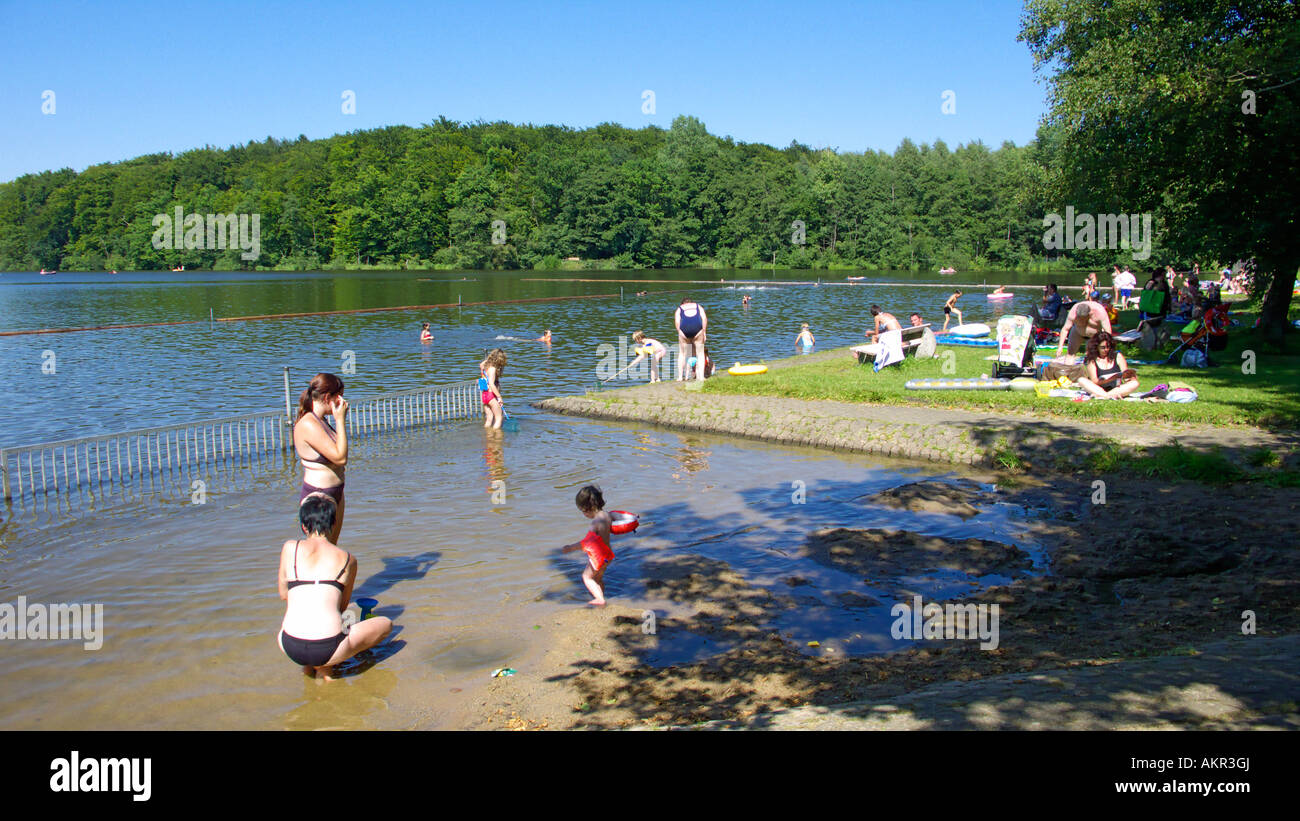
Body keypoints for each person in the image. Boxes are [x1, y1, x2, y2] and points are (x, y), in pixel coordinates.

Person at [277, 495, 392, 680]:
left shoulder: (290, 548)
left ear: (303, 525)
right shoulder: (348, 559)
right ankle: (325, 669)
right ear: (334, 523)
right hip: (328, 648)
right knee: (386, 624)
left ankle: (312, 668)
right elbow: (343, 606)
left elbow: (284, 594)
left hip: (289, 644)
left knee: (315, 622)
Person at [293, 373, 348, 544]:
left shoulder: (322, 420)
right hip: (319, 496)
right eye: (339, 397)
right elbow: (340, 458)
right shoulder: (309, 424)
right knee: (321, 552)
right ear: (327, 397)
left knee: (332, 549)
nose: (342, 402)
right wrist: (340, 420)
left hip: (335, 492)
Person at [560, 485, 614, 606]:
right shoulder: (606, 515)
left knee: (587, 577)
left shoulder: (595, 523)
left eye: (583, 510)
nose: (583, 514)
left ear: (589, 507)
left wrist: (570, 547)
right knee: (598, 578)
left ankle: (600, 599)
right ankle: (601, 595)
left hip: (599, 557)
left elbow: (587, 542)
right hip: (608, 555)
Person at [1077, 332, 1139, 399]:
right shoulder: (1092, 360)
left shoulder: (1118, 356)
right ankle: (1107, 395)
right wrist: (1111, 379)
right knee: (1081, 380)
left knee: (1135, 383)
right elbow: (1095, 381)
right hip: (1098, 389)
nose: (1106, 350)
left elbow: (1125, 375)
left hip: (1115, 389)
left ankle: (1106, 395)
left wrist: (1130, 377)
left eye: (1108, 347)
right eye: (1103, 347)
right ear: (1096, 347)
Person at [675, 298, 708, 381]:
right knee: (700, 353)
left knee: (682, 353)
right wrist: (704, 332)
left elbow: (677, 322)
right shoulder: (698, 306)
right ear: (692, 302)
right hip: (697, 329)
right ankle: (701, 377)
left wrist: (680, 332)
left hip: (684, 330)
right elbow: (704, 318)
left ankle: (679, 377)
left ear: (682, 304)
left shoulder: (679, 308)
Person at [865, 305, 905, 371]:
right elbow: (886, 329)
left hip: (894, 335)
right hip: (899, 333)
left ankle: (876, 357)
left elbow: (876, 333)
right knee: (879, 336)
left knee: (874, 337)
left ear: (873, 314)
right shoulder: (887, 314)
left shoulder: (877, 317)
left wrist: (869, 332)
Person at [479, 348, 506, 429]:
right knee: (499, 418)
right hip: (491, 396)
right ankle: (496, 439)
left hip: (484, 395)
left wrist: (488, 358)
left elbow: (481, 364)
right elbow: (491, 384)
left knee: (489, 418)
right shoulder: (493, 369)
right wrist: (499, 397)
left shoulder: (484, 366)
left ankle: (488, 436)